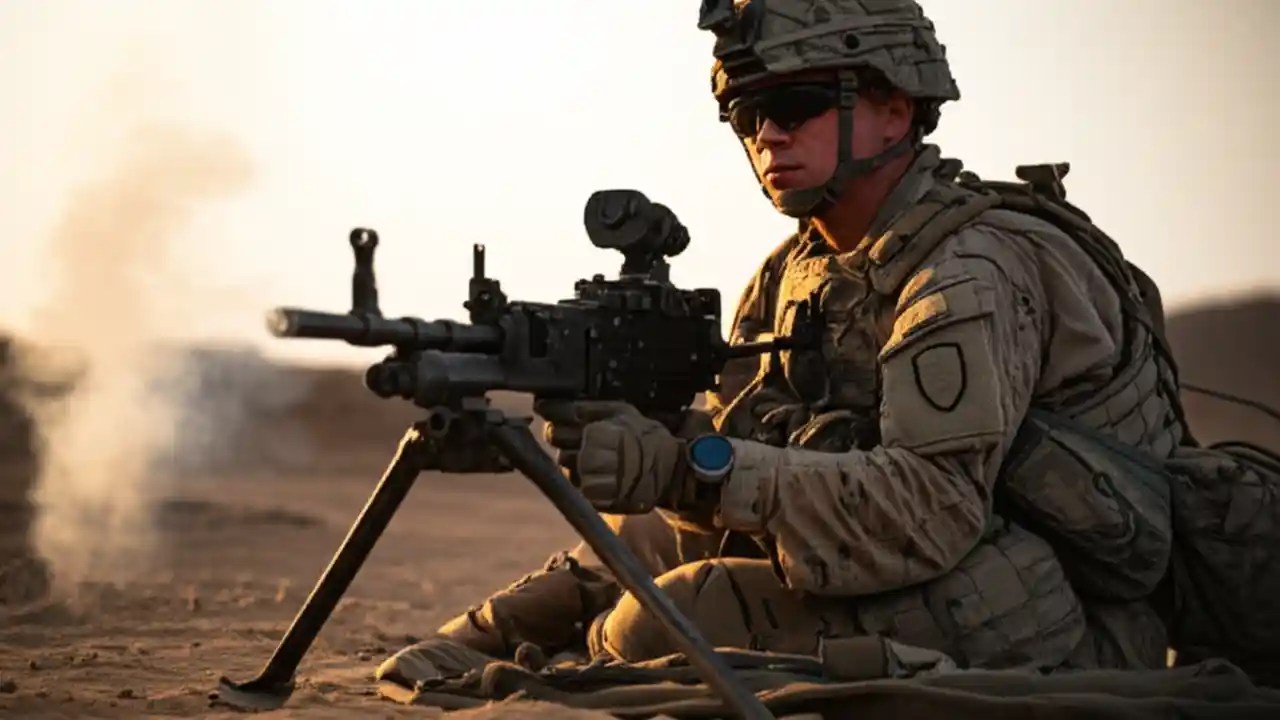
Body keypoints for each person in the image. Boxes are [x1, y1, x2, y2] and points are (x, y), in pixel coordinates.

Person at [398, 0, 1188, 676]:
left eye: (799, 103)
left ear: (896, 106)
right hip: (910, 563)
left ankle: (589, 651)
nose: (767, 134)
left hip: (1053, 610)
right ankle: (481, 643)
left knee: (670, 618)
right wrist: (661, 457)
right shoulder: (796, 273)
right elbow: (741, 449)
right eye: (746, 113)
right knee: (642, 541)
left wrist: (687, 469)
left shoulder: (967, 270)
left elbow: (931, 507)